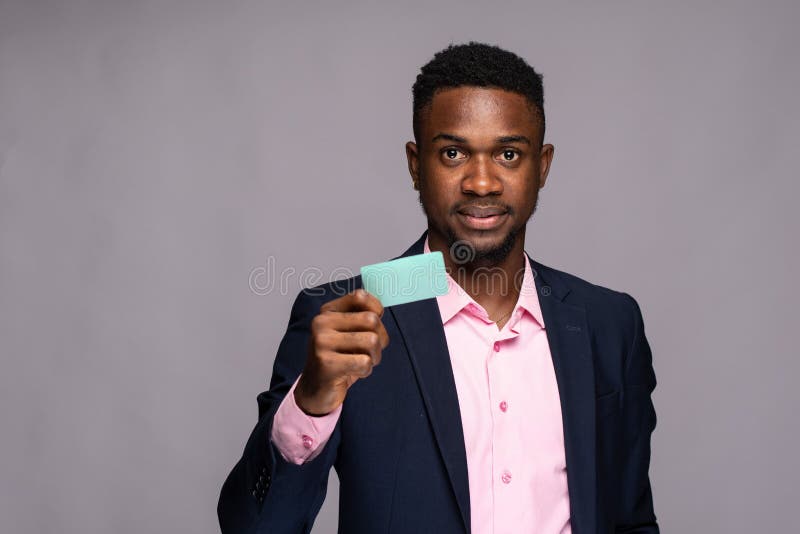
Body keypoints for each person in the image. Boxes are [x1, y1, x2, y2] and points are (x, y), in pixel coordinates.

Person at [218, 42, 659, 534]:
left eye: (508, 154)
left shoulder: (609, 324)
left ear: (543, 166)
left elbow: (630, 519)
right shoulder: (348, 319)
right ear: (415, 165)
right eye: (453, 153)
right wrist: (310, 403)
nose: (482, 182)